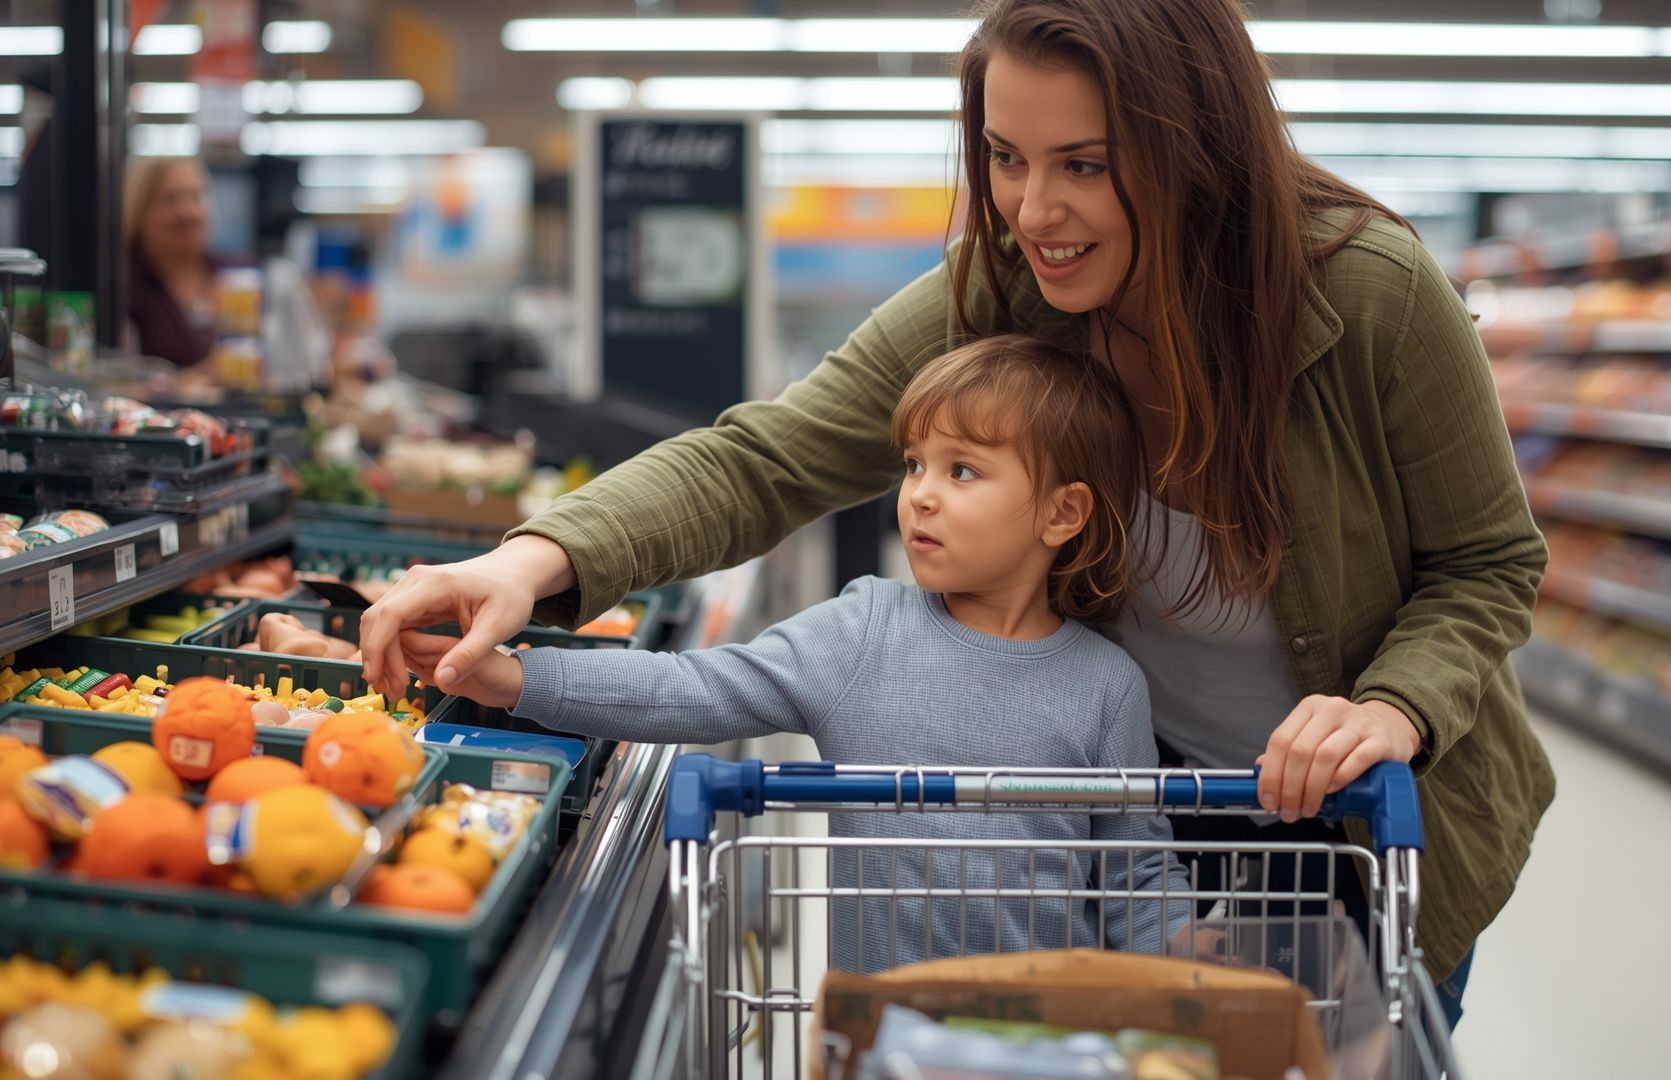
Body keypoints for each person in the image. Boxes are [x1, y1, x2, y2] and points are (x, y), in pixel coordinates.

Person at [363, 0, 1552, 1026]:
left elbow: (1488, 563)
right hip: (1149, 811)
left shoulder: (1372, 294)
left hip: (1372, 824)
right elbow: (768, 457)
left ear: (1195, 151)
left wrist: (1392, 707)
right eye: (1005, 156)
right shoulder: (1000, 291)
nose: (1034, 210)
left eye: (1085, 165)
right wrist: (532, 560)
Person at [397, 336, 1195, 972]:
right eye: (914, 464)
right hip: (879, 1043)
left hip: (1050, 1046)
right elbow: (695, 689)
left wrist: (1187, 954)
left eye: (963, 470)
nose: (920, 493)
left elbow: (1137, 872)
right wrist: (515, 678)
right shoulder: (865, 630)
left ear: (1062, 514)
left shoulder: (1107, 684)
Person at [123, 156, 219, 368]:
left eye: (195, 196)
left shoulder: (230, 276)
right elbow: (119, 376)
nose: (187, 212)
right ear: (140, 210)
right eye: (170, 200)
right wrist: (190, 381)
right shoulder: (125, 288)